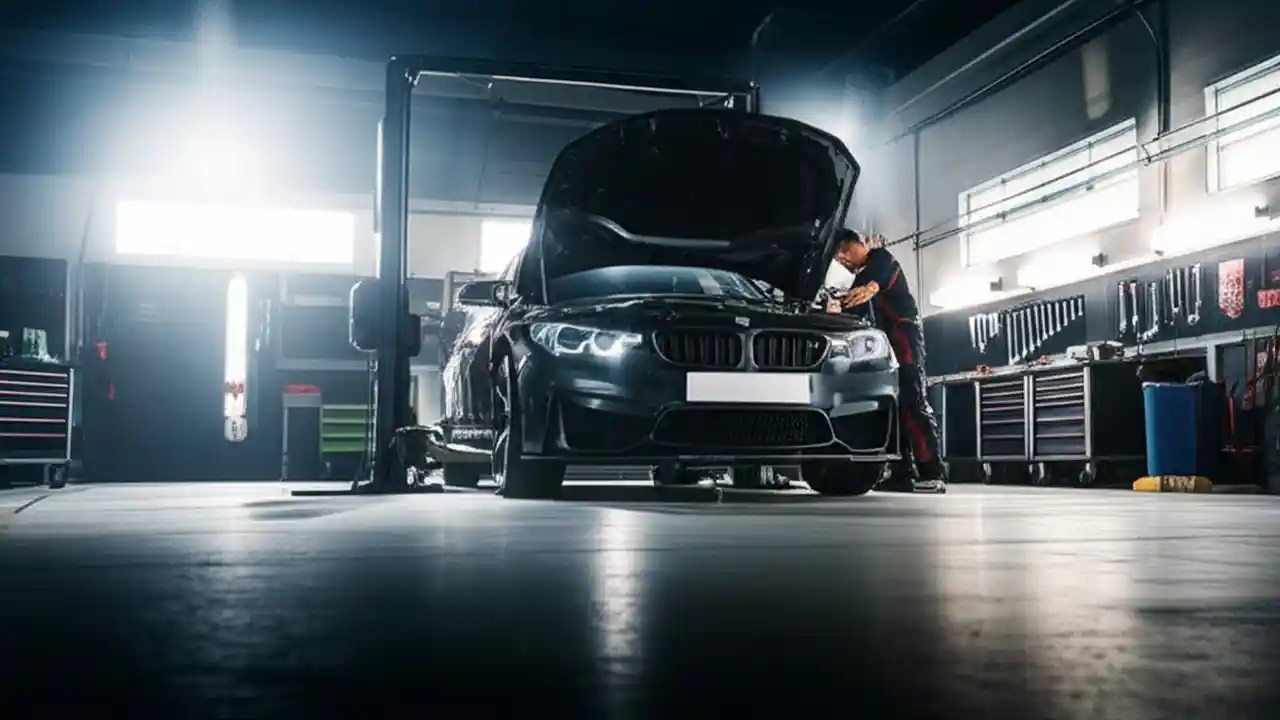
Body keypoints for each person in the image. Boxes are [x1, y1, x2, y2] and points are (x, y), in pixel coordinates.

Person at [828, 229, 947, 494]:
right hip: (884, 347)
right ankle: (901, 472)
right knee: (892, 409)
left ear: (854, 246)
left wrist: (864, 290)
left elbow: (874, 282)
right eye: (839, 256)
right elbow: (856, 303)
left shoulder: (881, 260)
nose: (843, 259)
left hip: (905, 341)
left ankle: (933, 472)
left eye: (843, 252)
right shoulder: (861, 276)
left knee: (913, 404)